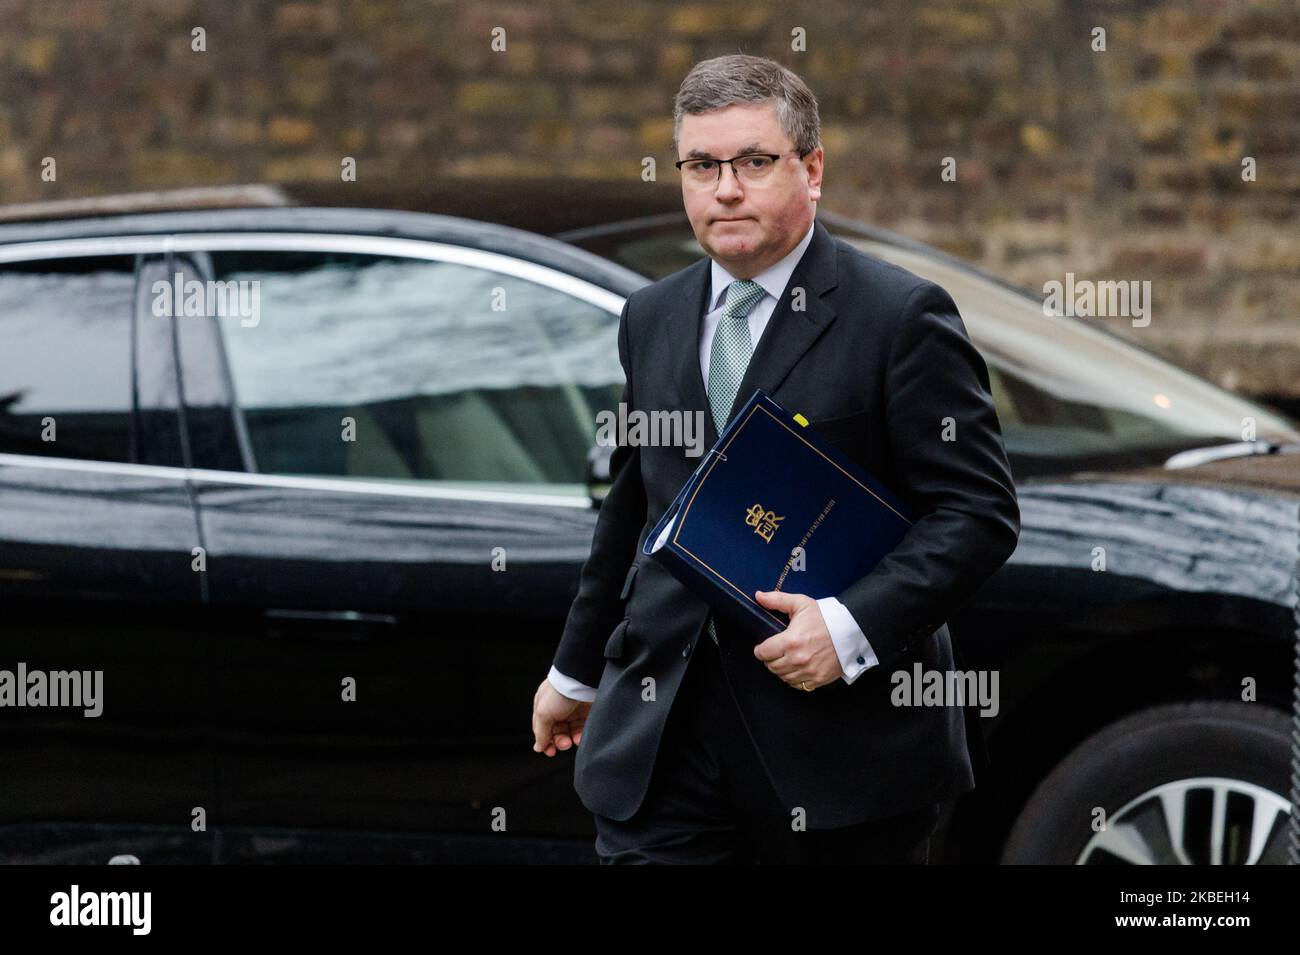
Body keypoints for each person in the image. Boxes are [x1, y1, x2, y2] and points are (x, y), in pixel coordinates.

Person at [531, 53, 1020, 864]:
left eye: (755, 162)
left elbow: (978, 514)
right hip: (661, 746)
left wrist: (848, 625)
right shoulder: (651, 316)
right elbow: (635, 505)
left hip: (842, 762)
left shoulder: (899, 316)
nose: (726, 188)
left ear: (812, 169)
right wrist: (575, 672)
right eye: (702, 165)